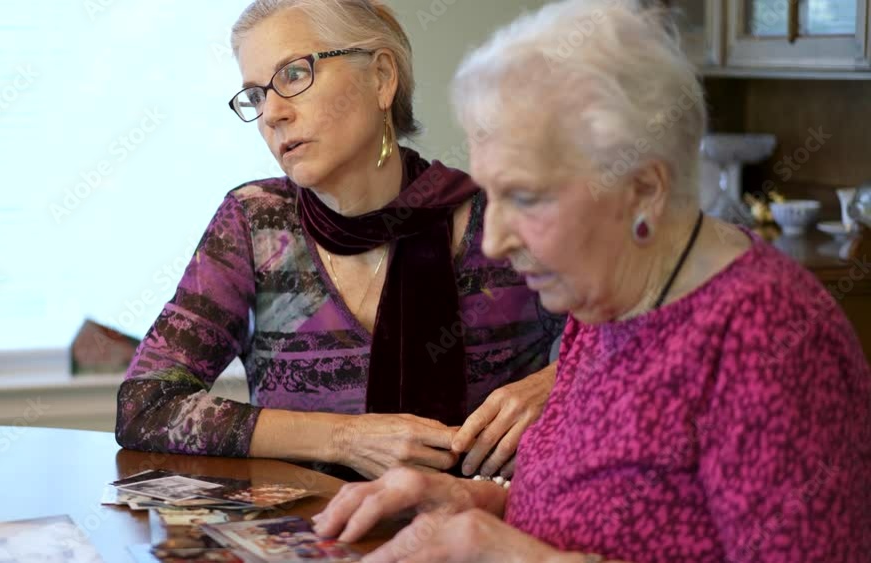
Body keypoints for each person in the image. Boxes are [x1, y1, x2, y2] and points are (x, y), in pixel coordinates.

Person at [312, 0, 871, 560]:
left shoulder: (768, 338)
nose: (494, 240)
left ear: (644, 189)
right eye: (492, 195)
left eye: (526, 197)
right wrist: (468, 500)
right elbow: (605, 515)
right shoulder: (607, 300)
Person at [115, 0, 565, 480]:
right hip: (305, 541)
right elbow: (146, 403)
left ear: (381, 78)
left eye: (293, 75)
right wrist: (346, 439)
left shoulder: (500, 217)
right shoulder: (256, 224)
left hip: (476, 537)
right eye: (256, 95)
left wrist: (556, 383)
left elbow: (639, 339)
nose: (272, 114)